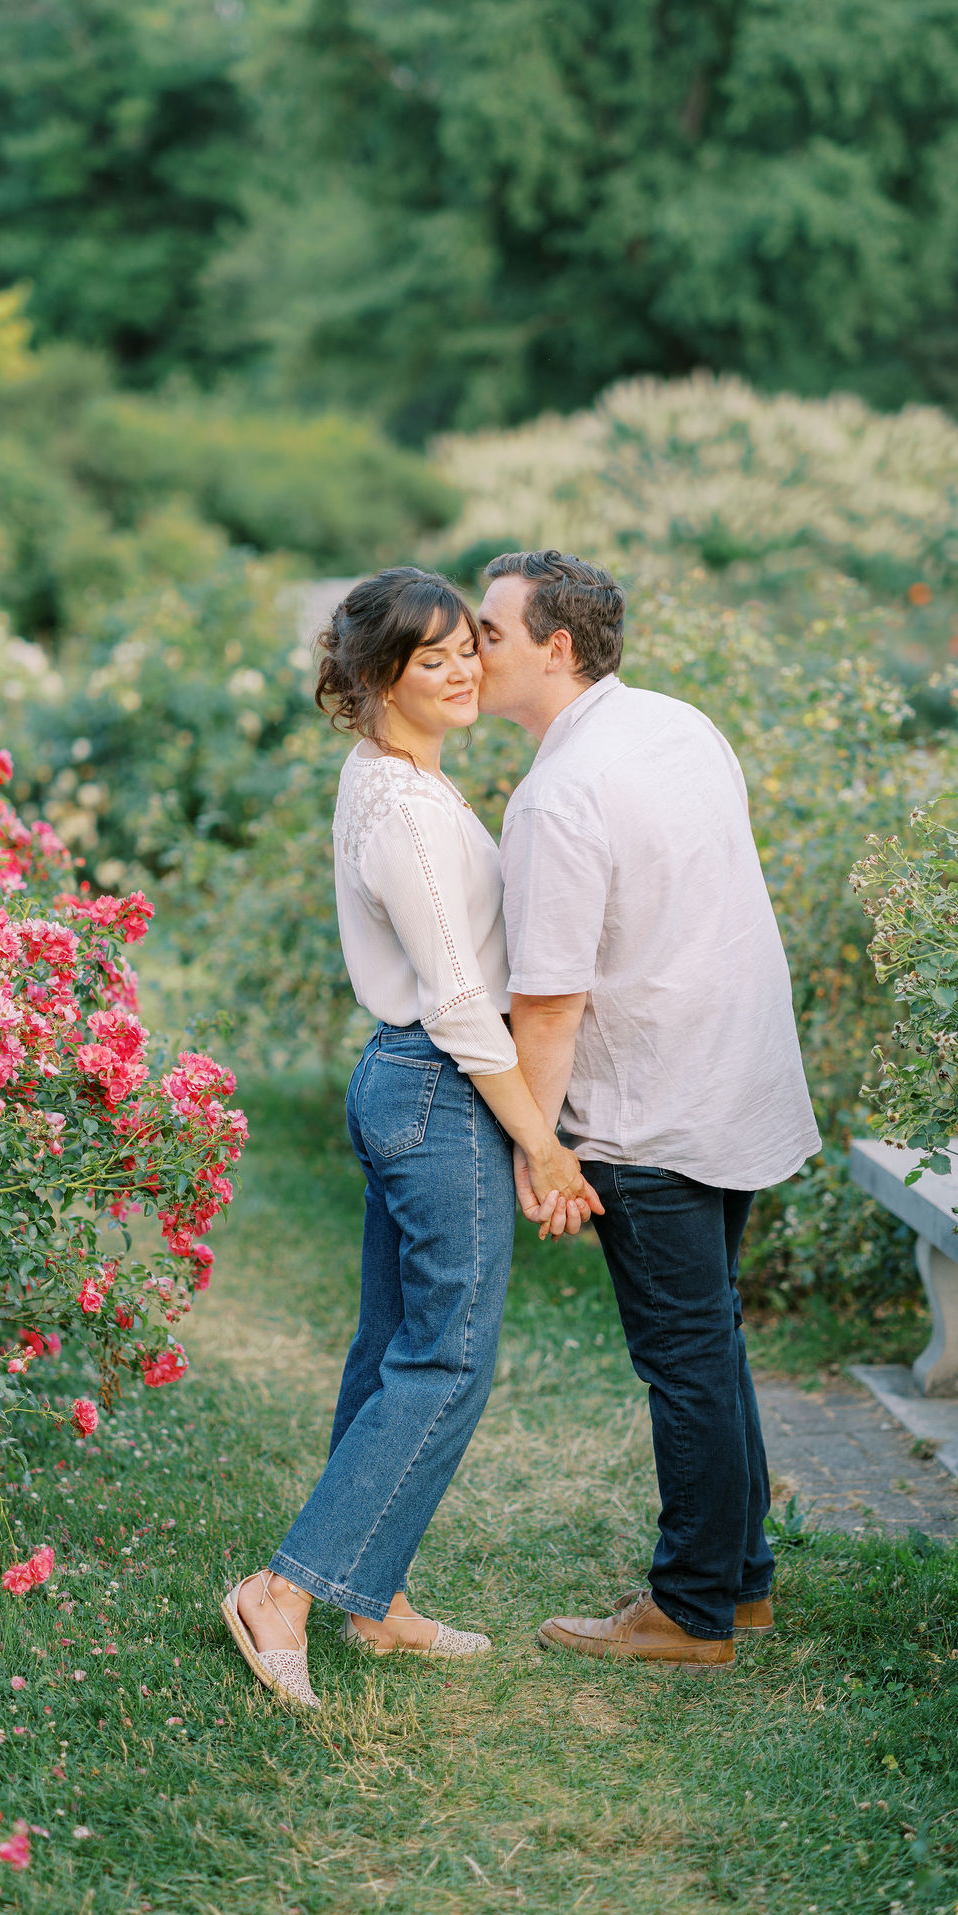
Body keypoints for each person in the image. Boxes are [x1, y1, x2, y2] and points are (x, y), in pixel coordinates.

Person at [221, 566, 601, 1710]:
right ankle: (283, 1592)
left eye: (465, 648)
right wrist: (541, 1142)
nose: (462, 668)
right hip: (438, 1086)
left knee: (394, 1346)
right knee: (443, 1359)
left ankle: (368, 1593)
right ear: (375, 676)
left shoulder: (398, 781)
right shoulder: (407, 813)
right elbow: (455, 1000)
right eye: (428, 656)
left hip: (413, 1083)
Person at [475, 549, 821, 1668]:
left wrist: (540, 1149)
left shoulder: (556, 796)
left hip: (652, 1107)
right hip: (736, 1072)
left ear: (554, 647)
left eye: (489, 631)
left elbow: (550, 1004)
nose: (469, 651)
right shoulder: (679, 722)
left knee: (683, 1356)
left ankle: (688, 1608)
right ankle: (743, 1581)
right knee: (711, 1339)